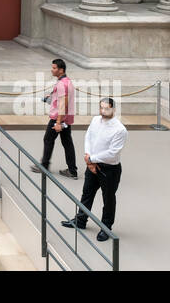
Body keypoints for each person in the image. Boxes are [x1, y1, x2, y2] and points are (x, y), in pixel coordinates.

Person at [61, 97, 126, 242]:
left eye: (107, 108)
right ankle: (81, 220)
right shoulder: (95, 120)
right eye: (101, 108)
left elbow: (112, 153)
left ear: (114, 110)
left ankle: (106, 227)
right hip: (92, 163)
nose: (103, 111)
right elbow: (88, 137)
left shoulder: (120, 130)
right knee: (87, 193)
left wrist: (92, 159)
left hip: (109, 169)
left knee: (108, 199)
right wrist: (88, 157)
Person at [31, 59, 78, 178]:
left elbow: (63, 104)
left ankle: (44, 166)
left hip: (58, 118)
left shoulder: (62, 84)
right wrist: (52, 96)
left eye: (54, 68)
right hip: (66, 119)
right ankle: (72, 170)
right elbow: (62, 99)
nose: (52, 70)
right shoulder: (67, 82)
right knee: (67, 143)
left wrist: (58, 122)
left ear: (61, 70)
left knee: (48, 140)